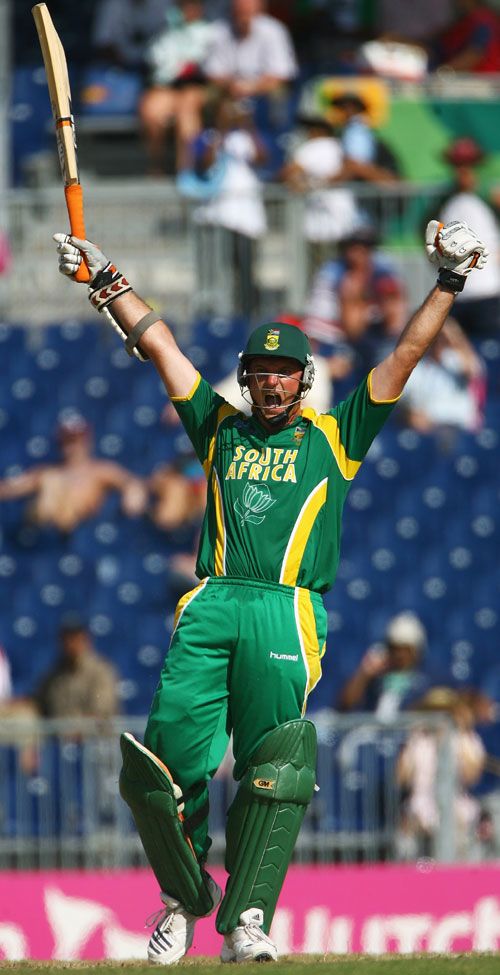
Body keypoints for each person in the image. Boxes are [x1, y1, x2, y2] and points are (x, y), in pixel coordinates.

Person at [51, 214, 487, 963]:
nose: (275, 381)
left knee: (274, 769)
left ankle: (248, 919)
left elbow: (406, 355)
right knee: (164, 765)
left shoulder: (333, 438)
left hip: (287, 609)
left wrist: (448, 280)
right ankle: (180, 903)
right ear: (248, 377)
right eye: (262, 370)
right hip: (214, 598)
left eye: (287, 371)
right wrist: (105, 281)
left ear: (304, 379)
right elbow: (161, 347)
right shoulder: (218, 427)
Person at [0, 415, 147, 534]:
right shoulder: (47, 471)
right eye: (67, 442)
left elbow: (130, 482)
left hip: (84, 528)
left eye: (76, 441)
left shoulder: (100, 470)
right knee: (51, 480)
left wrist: (133, 492)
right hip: (47, 529)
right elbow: (11, 488)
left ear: (87, 442)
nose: (72, 448)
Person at [396, 686, 487, 861]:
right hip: (421, 801)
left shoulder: (464, 739)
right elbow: (402, 778)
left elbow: (472, 775)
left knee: (462, 819)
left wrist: (460, 741)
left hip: (455, 800)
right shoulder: (417, 740)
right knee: (412, 823)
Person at [139, 0, 217, 174]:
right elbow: (158, 65)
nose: (187, 9)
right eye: (183, 6)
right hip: (169, 87)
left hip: (199, 87)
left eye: (192, 5)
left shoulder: (213, 32)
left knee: (186, 109)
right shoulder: (166, 33)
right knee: (151, 110)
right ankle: (156, 165)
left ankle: (186, 170)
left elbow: (211, 68)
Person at [436, 136, 500, 337]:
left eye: (468, 164)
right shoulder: (445, 201)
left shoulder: (489, 197)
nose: (463, 170)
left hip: (487, 290)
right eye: (459, 165)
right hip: (457, 292)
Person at [203, 0, 298, 117]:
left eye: (248, 5)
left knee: (279, 92)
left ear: (259, 6)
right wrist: (233, 85)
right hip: (229, 90)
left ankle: (273, 132)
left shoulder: (275, 30)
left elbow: (282, 74)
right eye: (240, 5)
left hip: (263, 93)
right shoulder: (219, 30)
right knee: (204, 94)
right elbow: (213, 73)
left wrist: (252, 87)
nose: (244, 8)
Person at [400, 316, 486, 435]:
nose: (439, 342)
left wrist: (450, 332)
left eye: (442, 338)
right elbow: (408, 411)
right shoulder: (414, 369)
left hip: (462, 429)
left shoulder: (457, 360)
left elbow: (474, 371)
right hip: (431, 431)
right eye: (434, 337)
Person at [337, 611, 431, 720]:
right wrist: (364, 673)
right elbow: (347, 704)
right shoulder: (376, 680)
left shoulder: (424, 683)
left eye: (405, 649)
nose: (399, 655)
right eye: (395, 648)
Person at [34, 613, 120, 719]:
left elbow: (102, 710)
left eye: (76, 638)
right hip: (61, 732)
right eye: (67, 638)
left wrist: (78, 727)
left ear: (86, 640)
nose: (71, 644)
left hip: (97, 733)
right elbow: (39, 702)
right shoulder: (54, 674)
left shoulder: (101, 671)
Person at [91, 0, 171, 70]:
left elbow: (169, 38)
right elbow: (102, 43)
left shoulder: (164, 3)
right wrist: (123, 60)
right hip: (119, 67)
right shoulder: (112, 4)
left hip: (154, 66)